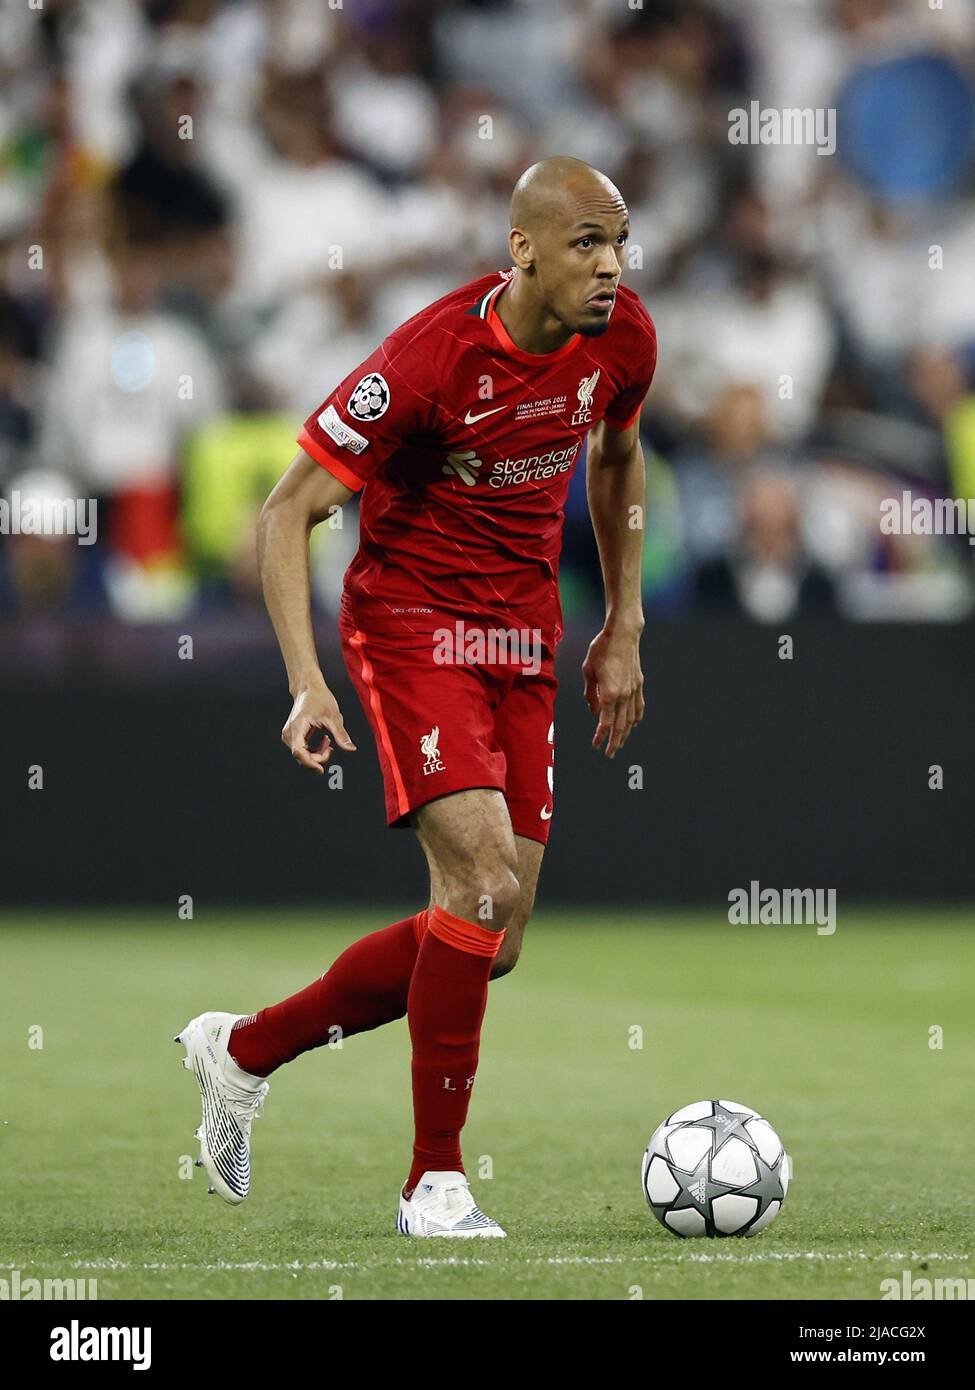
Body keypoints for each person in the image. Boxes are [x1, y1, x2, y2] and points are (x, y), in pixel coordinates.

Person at [176, 156, 657, 1237]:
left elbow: (620, 459)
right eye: (588, 242)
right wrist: (305, 681)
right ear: (523, 248)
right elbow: (289, 506)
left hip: (526, 639)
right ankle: (433, 1181)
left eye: (621, 242)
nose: (612, 265)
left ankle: (243, 1049)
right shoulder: (431, 359)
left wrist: (622, 623)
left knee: (497, 929)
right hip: (411, 630)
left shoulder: (623, 341)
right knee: (482, 882)